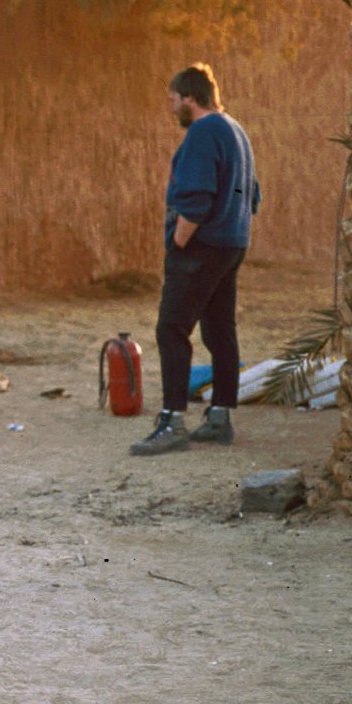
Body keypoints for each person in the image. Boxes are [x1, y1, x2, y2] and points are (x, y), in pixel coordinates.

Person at [131, 64, 261, 456]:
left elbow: (198, 196)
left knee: (171, 328)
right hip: (231, 242)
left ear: (190, 97)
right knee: (220, 329)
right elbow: (252, 194)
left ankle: (172, 420)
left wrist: (178, 239)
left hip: (201, 246)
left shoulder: (203, 133)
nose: (172, 109)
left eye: (173, 100)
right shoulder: (235, 131)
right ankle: (220, 416)